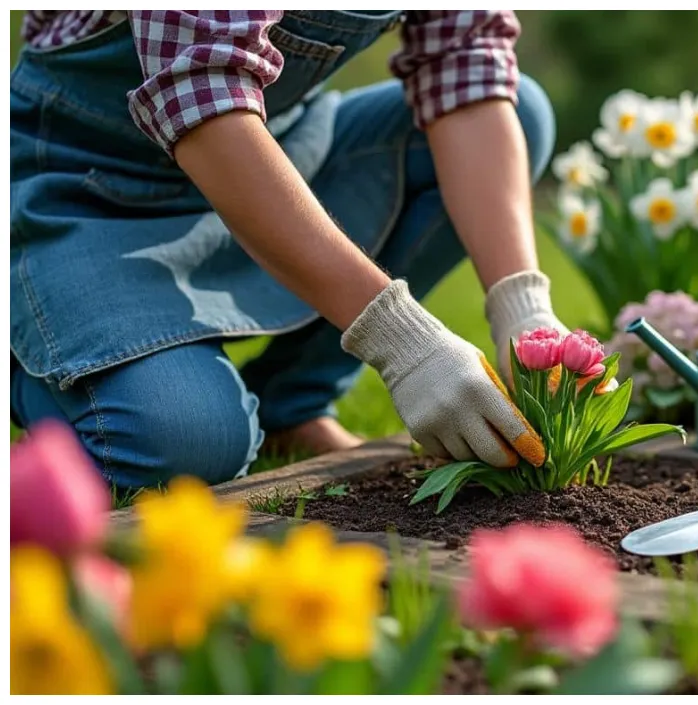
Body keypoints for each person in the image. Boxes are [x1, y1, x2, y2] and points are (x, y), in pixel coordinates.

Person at [10, 11, 584, 490]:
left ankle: (292, 401)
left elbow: (464, 63)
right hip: (86, 190)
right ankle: (33, 353)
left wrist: (523, 310)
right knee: (186, 446)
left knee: (521, 110)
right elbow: (202, 96)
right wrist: (405, 345)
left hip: (274, 151)